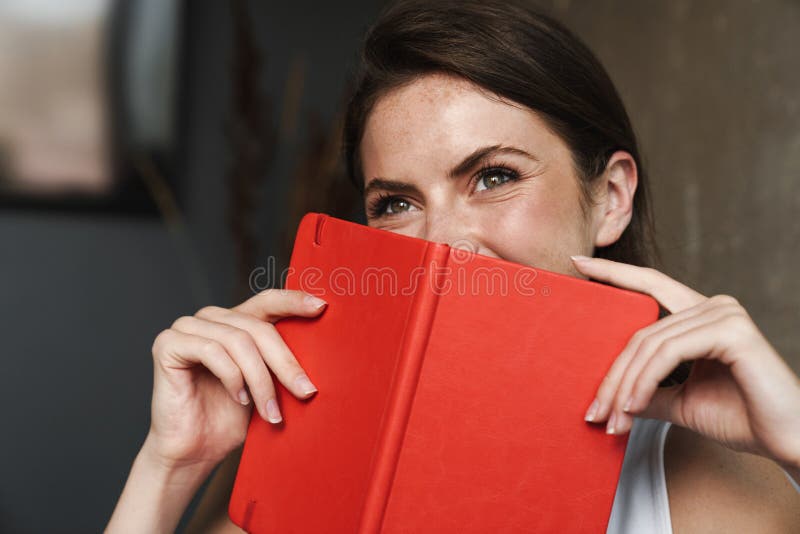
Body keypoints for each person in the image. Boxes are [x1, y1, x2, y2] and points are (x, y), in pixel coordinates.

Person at [106, 1, 800, 532]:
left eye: (495, 177)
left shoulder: (708, 492)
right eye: (397, 202)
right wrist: (170, 466)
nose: (443, 247)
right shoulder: (329, 474)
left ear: (611, 198)